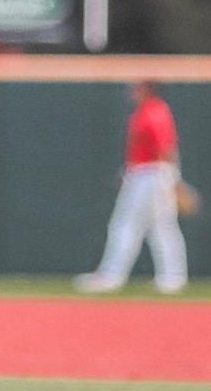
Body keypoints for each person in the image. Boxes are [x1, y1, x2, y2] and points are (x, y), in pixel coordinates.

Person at [74, 78, 188, 294]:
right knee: (160, 227)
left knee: (128, 225)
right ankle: (172, 278)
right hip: (144, 173)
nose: (132, 91)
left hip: (152, 174)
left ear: (148, 90)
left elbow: (166, 148)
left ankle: (112, 276)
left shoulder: (155, 112)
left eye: (137, 88)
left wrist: (173, 178)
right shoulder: (146, 111)